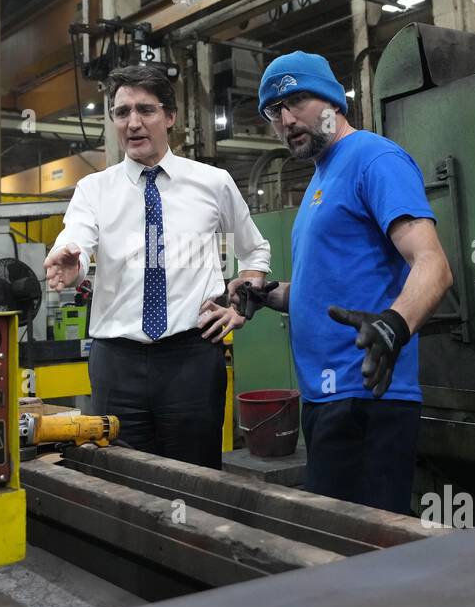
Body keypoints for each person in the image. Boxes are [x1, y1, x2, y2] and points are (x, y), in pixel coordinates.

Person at [219, 51, 453, 514]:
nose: (286, 120)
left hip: (367, 396)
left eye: (297, 102)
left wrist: (393, 325)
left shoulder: (373, 158)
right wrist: (267, 295)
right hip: (326, 398)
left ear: (331, 101)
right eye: (274, 112)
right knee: (337, 539)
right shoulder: (321, 179)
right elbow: (323, 292)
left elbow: (433, 263)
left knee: (364, 544)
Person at [44, 63, 271, 468]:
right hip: (116, 365)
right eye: (122, 112)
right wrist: (70, 259)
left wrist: (241, 306)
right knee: (121, 480)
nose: (133, 122)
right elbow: (77, 238)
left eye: (145, 110)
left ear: (170, 117)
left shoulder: (213, 182)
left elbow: (254, 250)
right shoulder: (94, 189)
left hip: (192, 359)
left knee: (196, 478)